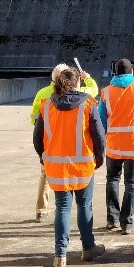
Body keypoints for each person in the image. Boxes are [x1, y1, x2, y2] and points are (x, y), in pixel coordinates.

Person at [33, 67, 107, 267]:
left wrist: (44, 158)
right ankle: (88, 248)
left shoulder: (46, 105)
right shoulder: (88, 104)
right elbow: (99, 136)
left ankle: (60, 255)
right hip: (83, 166)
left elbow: (37, 138)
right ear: (78, 84)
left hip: (56, 168)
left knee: (62, 208)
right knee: (85, 206)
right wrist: (98, 160)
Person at [29, 64, 99, 222]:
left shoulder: (42, 94)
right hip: (76, 150)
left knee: (45, 178)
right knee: (82, 201)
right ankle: (87, 241)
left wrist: (43, 150)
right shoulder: (81, 95)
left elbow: (34, 119)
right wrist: (87, 78)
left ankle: (41, 210)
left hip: (50, 146)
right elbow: (94, 90)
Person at [98, 59, 134, 234]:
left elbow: (101, 120)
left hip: (113, 145)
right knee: (131, 182)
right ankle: (127, 223)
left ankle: (112, 219)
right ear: (132, 72)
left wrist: (103, 137)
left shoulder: (106, 92)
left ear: (115, 73)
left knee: (112, 179)